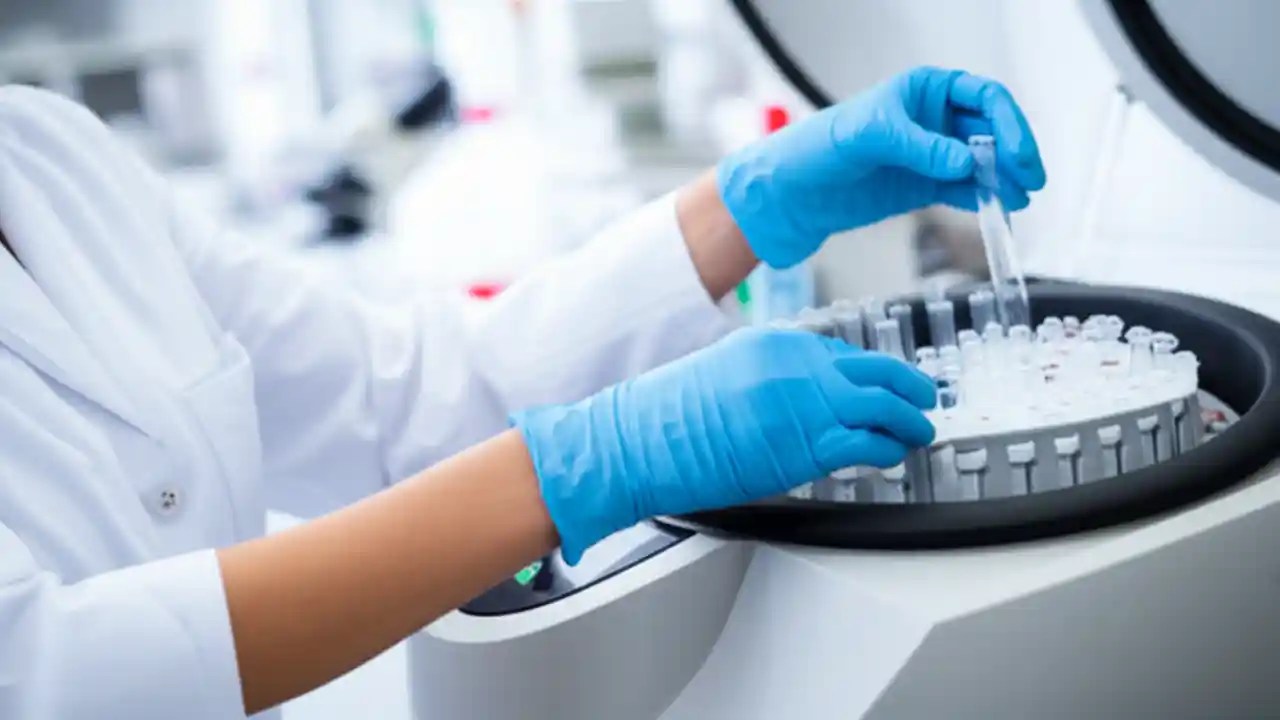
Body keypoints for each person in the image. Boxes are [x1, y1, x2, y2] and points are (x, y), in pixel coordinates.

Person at [0, 66, 1044, 719]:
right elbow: (48, 674)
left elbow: (396, 397)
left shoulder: (49, 156)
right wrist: (587, 462)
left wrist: (748, 203)